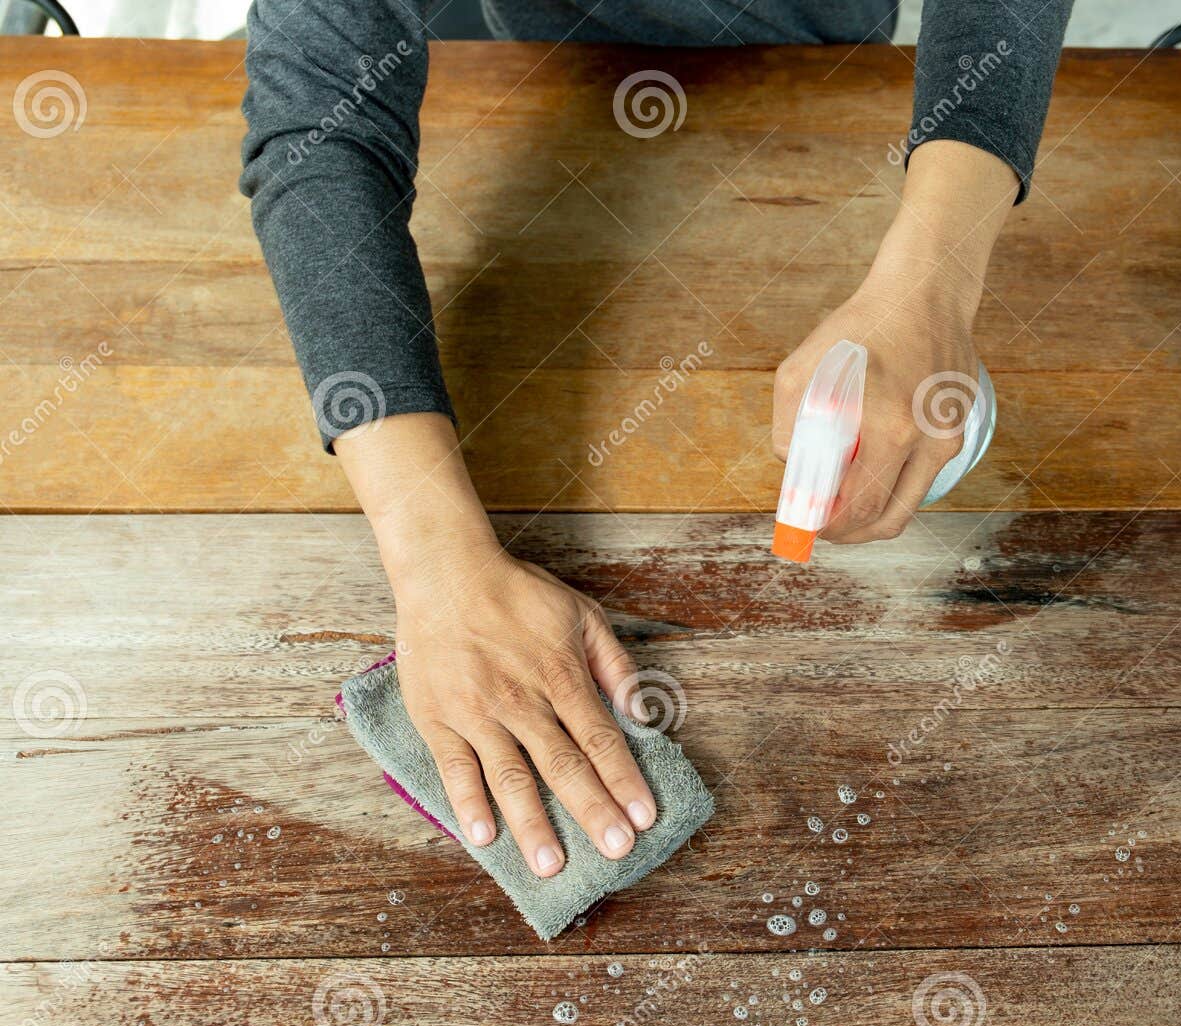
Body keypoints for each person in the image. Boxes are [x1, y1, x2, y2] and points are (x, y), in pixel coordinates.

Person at [239, 0, 1072, 880]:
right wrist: (437, 563)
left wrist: (933, 279)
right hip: (508, 52)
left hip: (815, 64)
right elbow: (321, 120)